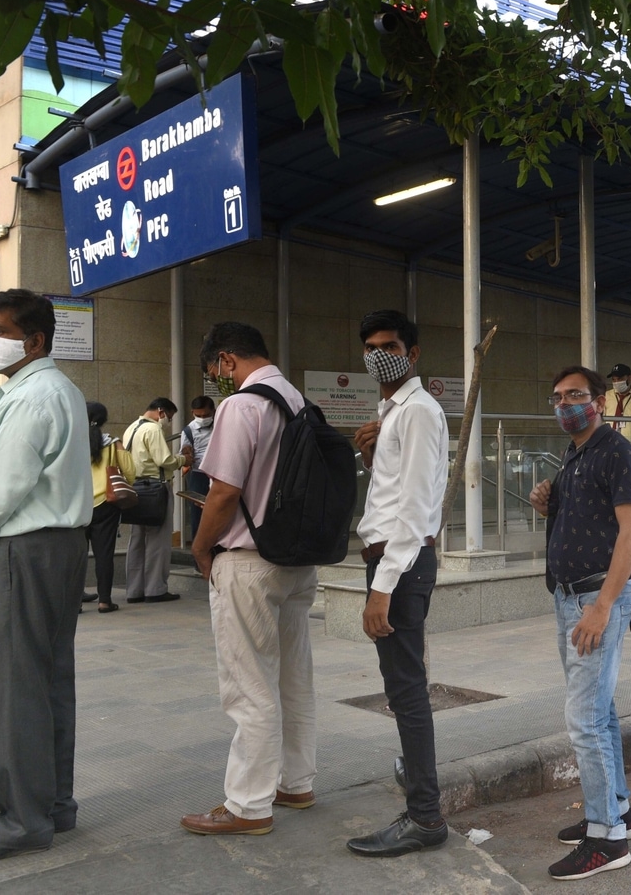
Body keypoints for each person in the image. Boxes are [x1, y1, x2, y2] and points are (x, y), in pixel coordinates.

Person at [0, 290, 92, 864]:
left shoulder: (34, 399)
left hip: (21, 552)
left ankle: (18, 820)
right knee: (49, 680)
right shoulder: (55, 392)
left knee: (14, 689)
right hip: (56, 550)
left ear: (33, 340)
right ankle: (53, 804)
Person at [182, 323, 320, 837]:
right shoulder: (297, 401)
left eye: (214, 370)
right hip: (295, 559)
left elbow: (223, 492)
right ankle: (296, 782)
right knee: (293, 677)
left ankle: (246, 805)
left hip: (248, 559)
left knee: (250, 685)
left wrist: (200, 546)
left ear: (225, 360)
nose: (216, 379)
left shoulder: (242, 405)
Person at [527, 366, 631, 880]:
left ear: (599, 400)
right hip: (570, 596)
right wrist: (547, 505)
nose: (564, 404)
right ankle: (617, 808)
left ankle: (606, 838)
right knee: (602, 710)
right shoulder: (577, 453)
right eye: (557, 396)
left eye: (575, 395)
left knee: (585, 719)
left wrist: (602, 607)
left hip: (597, 598)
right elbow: (586, 518)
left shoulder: (616, 451)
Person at [344, 311, 451, 857]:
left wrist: (382, 587)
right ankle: (418, 788)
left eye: (388, 346)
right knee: (403, 688)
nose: (377, 355)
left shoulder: (418, 412)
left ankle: (425, 816)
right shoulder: (392, 413)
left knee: (407, 692)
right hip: (393, 557)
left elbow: (413, 510)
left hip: (400, 562)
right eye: (369, 348)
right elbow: (395, 489)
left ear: (412, 354)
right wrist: (371, 454)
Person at [123, 397, 186, 604]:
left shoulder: (131, 428)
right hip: (156, 489)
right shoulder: (153, 429)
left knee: (137, 541)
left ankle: (134, 590)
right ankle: (155, 589)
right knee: (158, 541)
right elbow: (164, 460)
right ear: (161, 411)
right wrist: (183, 460)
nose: (168, 421)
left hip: (135, 488)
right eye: (169, 416)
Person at [84, 402, 134, 613]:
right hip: (106, 504)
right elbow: (130, 473)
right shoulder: (114, 444)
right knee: (104, 554)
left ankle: (75, 601)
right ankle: (104, 600)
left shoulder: (71, 442)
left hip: (77, 505)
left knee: (77, 555)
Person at [181, 395, 216, 542]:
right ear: (192, 413)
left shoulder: (223, 424)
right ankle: (199, 559)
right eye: (198, 415)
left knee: (220, 513)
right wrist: (186, 454)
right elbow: (183, 456)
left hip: (220, 475)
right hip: (199, 475)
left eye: (206, 415)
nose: (202, 418)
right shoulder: (188, 430)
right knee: (198, 516)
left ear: (213, 411)